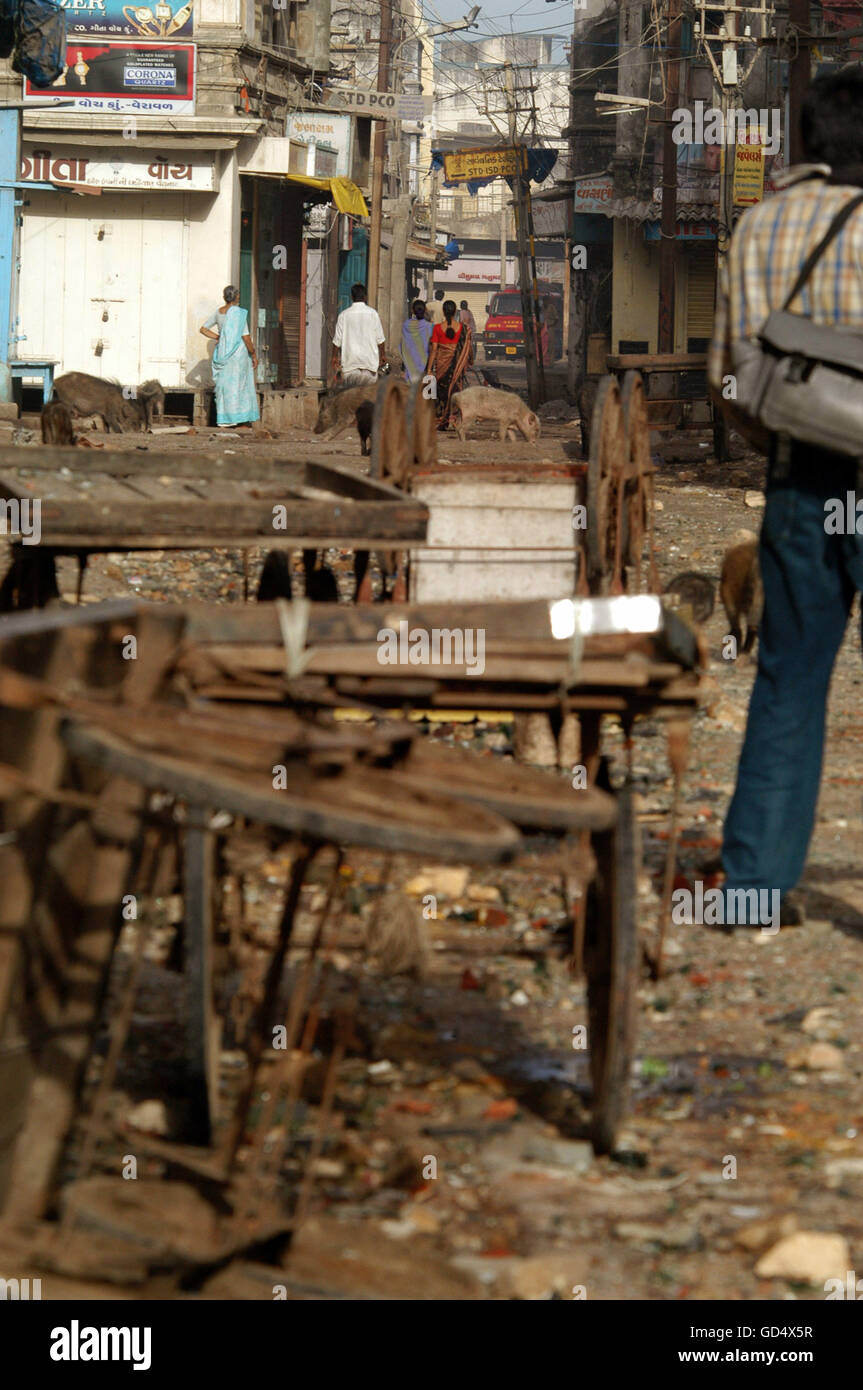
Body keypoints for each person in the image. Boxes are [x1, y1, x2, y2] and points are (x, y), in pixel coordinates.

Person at [708, 64, 863, 927]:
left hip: (802, 479)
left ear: (806, 137)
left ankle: (754, 891)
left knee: (788, 680)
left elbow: (732, 382)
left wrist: (791, 443)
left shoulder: (761, 224)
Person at [200, 285, 259, 428]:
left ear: (224, 297)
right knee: (240, 387)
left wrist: (219, 337)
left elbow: (203, 329)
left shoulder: (218, 312)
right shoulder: (238, 314)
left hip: (222, 354)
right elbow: (246, 337)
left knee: (224, 388)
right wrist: (253, 354)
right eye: (238, 295)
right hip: (238, 357)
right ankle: (240, 420)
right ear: (236, 297)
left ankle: (225, 419)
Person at [426, 298, 472, 430]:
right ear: (454, 312)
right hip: (457, 366)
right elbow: (467, 350)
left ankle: (443, 419)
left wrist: (429, 369)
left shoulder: (437, 329)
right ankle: (453, 418)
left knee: (442, 392)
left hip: (441, 365)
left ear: (443, 312)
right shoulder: (463, 329)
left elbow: (434, 350)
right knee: (455, 391)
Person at [332, 283, 386, 385]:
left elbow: (337, 341)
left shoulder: (343, 315)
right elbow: (380, 339)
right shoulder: (373, 314)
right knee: (368, 397)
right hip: (369, 365)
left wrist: (334, 357)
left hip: (350, 365)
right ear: (365, 297)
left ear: (352, 297)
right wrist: (383, 355)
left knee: (352, 397)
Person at [401, 299, 433, 383]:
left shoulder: (406, 325)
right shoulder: (430, 327)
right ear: (425, 310)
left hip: (409, 366)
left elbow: (403, 345)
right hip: (424, 366)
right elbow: (432, 347)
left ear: (412, 311)